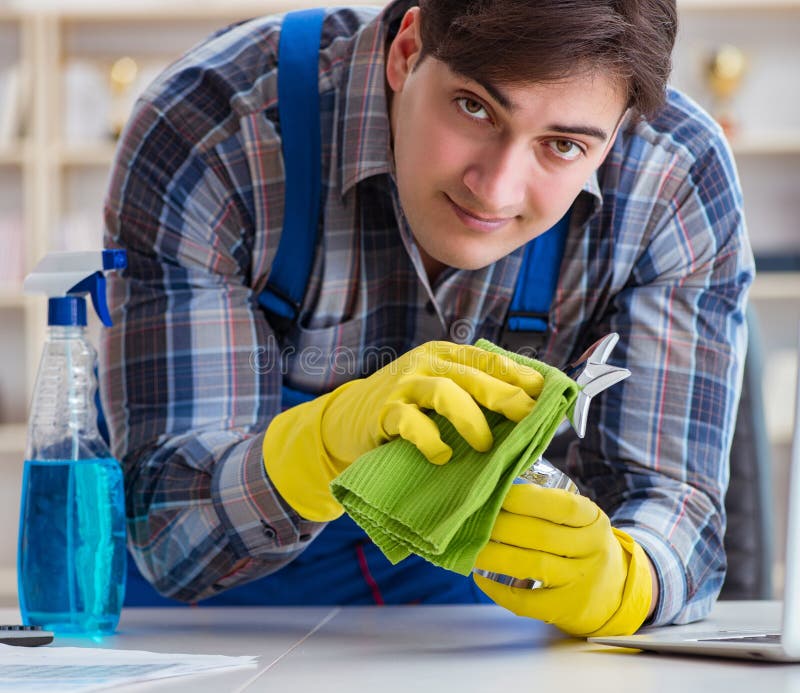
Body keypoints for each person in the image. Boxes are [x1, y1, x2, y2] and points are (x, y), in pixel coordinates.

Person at [100, 0, 753, 638]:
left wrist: (624, 578)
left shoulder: (673, 177)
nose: (494, 188)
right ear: (406, 51)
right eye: (475, 107)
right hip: (202, 634)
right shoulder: (216, 127)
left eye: (561, 146)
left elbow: (680, 522)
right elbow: (171, 534)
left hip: (464, 637)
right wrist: (317, 446)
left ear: (617, 133)